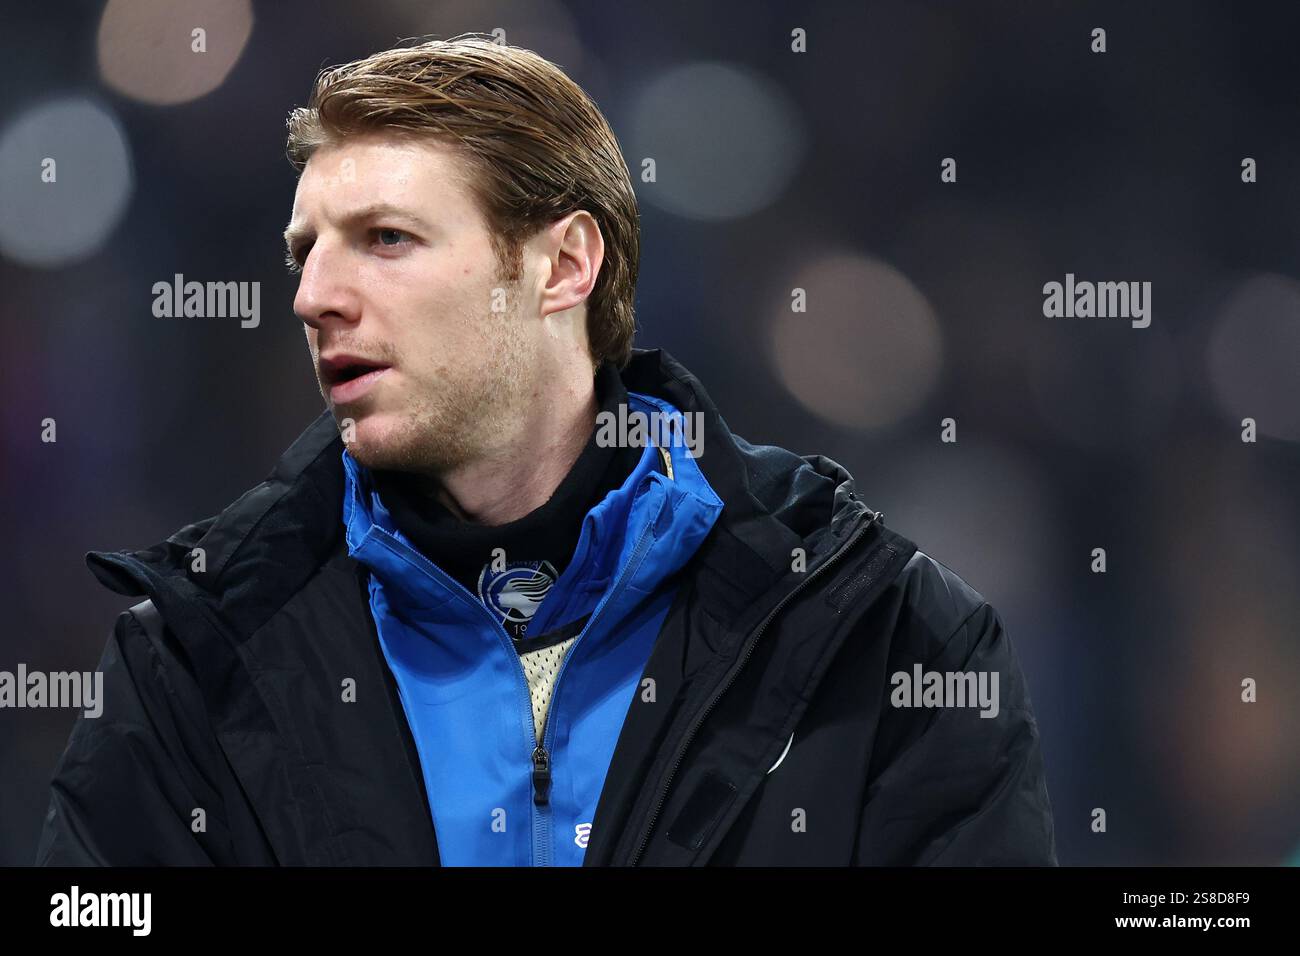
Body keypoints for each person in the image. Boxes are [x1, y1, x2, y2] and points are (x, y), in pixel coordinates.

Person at [36, 35, 1056, 866]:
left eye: (386, 238)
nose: (314, 296)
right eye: (308, 252)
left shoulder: (888, 639)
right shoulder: (185, 660)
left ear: (563, 264)